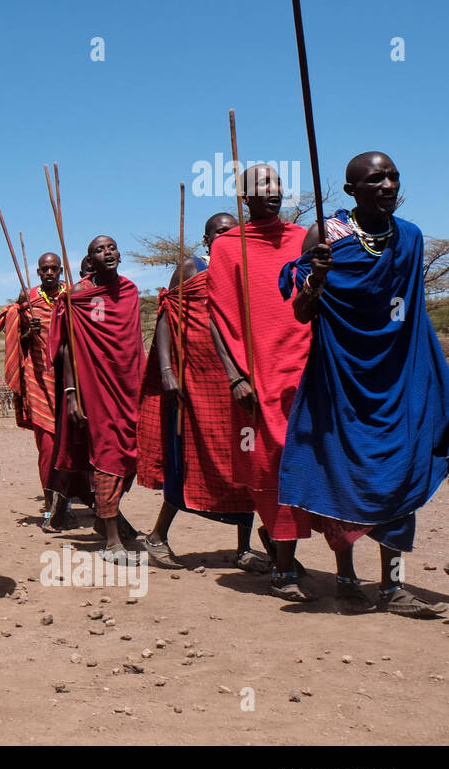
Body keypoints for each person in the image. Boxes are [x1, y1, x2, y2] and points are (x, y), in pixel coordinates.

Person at [280, 152, 449, 617]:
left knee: (401, 467)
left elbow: (410, 313)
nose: (389, 184)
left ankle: (392, 585)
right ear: (352, 191)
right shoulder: (324, 236)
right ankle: (346, 577)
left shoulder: (409, 237)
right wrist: (315, 276)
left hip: (395, 377)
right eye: (376, 179)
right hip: (339, 377)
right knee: (341, 470)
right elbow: (301, 313)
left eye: (393, 176)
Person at [207, 165, 314, 600]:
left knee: (316, 463)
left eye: (277, 185)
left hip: (308, 371)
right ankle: (282, 569)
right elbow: (217, 317)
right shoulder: (229, 247)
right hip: (258, 375)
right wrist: (235, 376)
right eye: (261, 186)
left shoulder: (304, 238)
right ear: (244, 197)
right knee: (270, 468)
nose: (272, 192)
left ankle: (344, 570)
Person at [137, 213, 266, 571]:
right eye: (220, 232)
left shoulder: (245, 266)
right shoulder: (190, 268)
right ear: (207, 238)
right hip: (194, 378)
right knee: (188, 459)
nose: (227, 236)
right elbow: (167, 316)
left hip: (237, 378)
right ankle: (157, 536)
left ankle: (244, 548)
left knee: (245, 459)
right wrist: (166, 370)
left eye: (233, 231)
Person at [49, 235, 144, 560]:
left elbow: (133, 344)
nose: (108, 253)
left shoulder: (130, 291)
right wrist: (72, 393)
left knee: (132, 455)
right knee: (107, 457)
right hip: (95, 389)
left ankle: (106, 521)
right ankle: (112, 539)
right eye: (99, 250)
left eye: (112, 247)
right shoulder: (78, 295)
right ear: (90, 260)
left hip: (129, 387)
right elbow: (67, 347)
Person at [0, 252, 65, 529]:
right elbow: (16, 338)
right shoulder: (28, 299)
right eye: (44, 269)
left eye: (53, 268)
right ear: (38, 272)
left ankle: (68, 504)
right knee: (48, 448)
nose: (49, 273)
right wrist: (28, 331)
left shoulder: (71, 296)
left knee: (71, 448)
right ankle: (50, 508)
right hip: (39, 380)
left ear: (60, 270)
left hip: (68, 381)